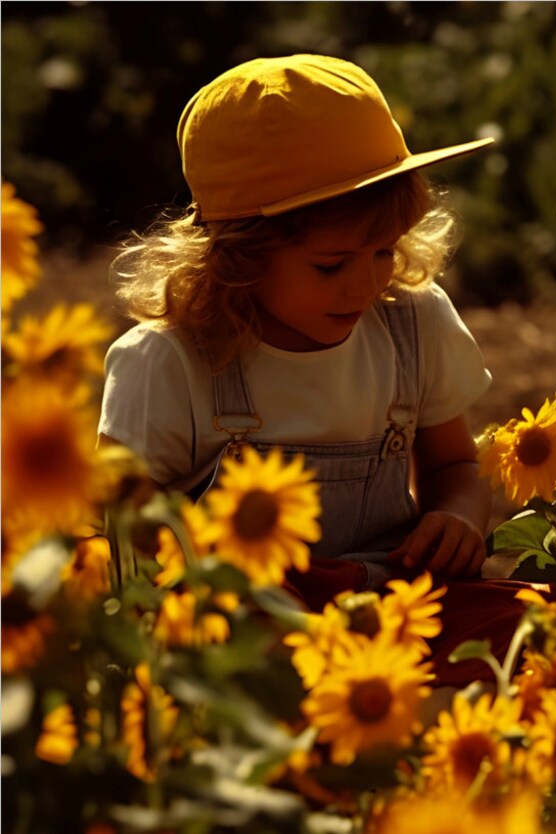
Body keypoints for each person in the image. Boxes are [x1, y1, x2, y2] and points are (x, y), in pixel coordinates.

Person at [98, 54, 520, 683]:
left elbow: (454, 464)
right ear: (239, 256)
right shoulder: (170, 360)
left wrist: (458, 516)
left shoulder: (412, 322)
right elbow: (122, 531)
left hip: (392, 602)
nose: (365, 283)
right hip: (250, 611)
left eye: (384, 251)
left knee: (528, 628)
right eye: (331, 265)